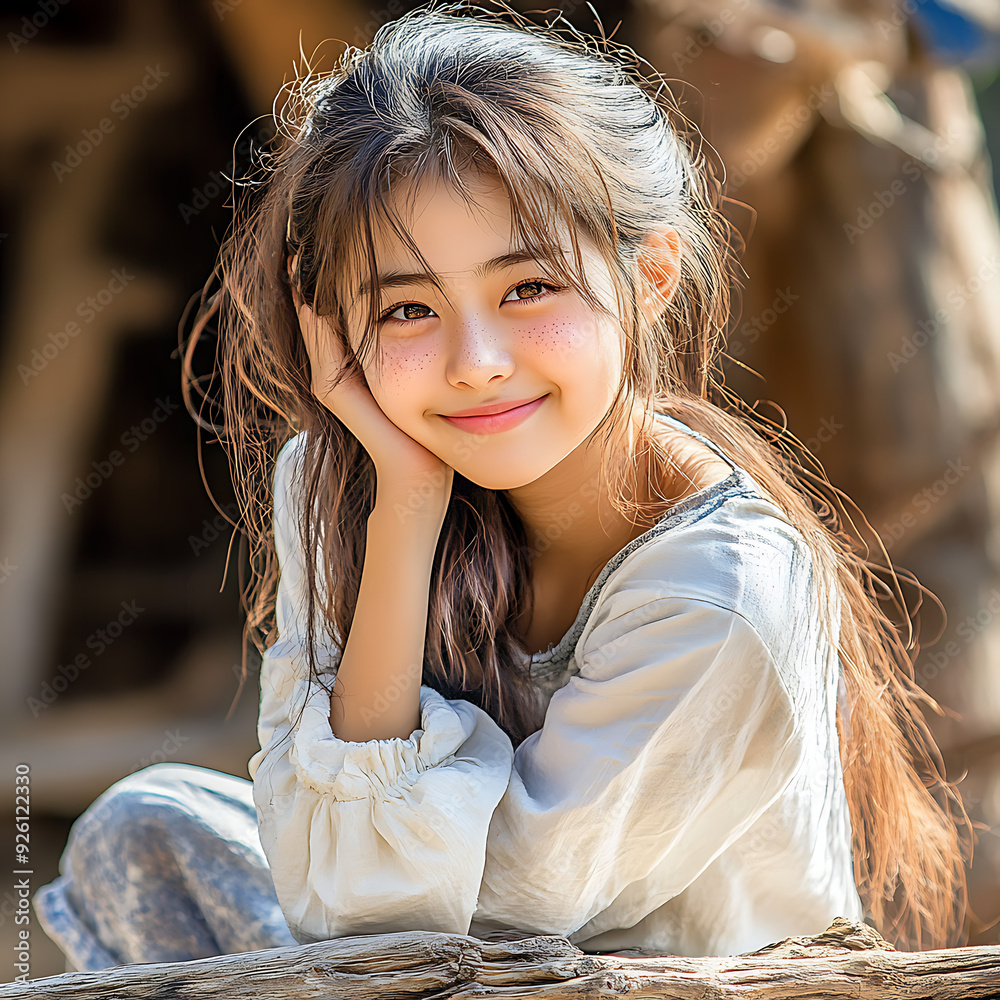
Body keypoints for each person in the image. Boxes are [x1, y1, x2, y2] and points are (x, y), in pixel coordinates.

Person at [33, 1, 973, 971]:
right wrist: (402, 509)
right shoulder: (340, 477)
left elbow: (405, 936)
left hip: (602, 984)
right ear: (330, 329)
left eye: (527, 288)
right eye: (405, 307)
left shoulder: (716, 596)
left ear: (648, 277)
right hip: (427, 956)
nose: (474, 361)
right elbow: (337, 898)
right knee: (145, 831)